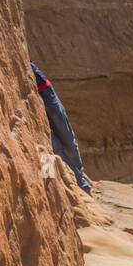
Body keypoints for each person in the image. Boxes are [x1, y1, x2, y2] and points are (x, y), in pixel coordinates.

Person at [30, 62, 92, 194]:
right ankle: (79, 184)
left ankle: (80, 174)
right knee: (51, 146)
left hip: (46, 92)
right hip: (30, 106)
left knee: (67, 136)